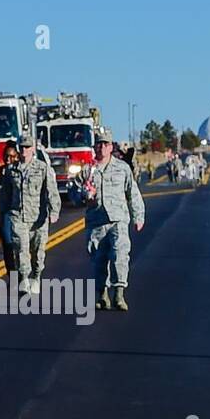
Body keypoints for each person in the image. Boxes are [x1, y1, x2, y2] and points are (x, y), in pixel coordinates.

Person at [82, 127, 145, 311]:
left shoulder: (122, 168)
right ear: (94, 147)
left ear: (111, 147)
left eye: (106, 144)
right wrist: (85, 194)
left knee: (120, 256)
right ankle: (102, 295)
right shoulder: (88, 170)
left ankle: (119, 294)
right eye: (99, 144)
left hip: (118, 220)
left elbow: (132, 192)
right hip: (96, 222)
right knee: (98, 260)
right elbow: (75, 195)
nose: (102, 147)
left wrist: (138, 216)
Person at [0, 130, 61, 295]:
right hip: (18, 216)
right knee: (21, 249)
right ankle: (24, 279)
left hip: (38, 218)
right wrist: (2, 212)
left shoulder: (42, 168)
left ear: (33, 149)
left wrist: (54, 211)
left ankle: (37, 277)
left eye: (27, 147)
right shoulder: (11, 170)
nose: (24, 150)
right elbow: (5, 194)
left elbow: (51, 191)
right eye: (22, 147)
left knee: (38, 254)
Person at [0, 140, 22, 280]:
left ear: (18, 157)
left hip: (22, 214)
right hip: (5, 214)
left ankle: (25, 275)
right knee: (8, 245)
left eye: (12, 156)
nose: (8, 159)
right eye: (6, 156)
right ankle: (13, 277)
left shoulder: (23, 171)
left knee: (22, 246)